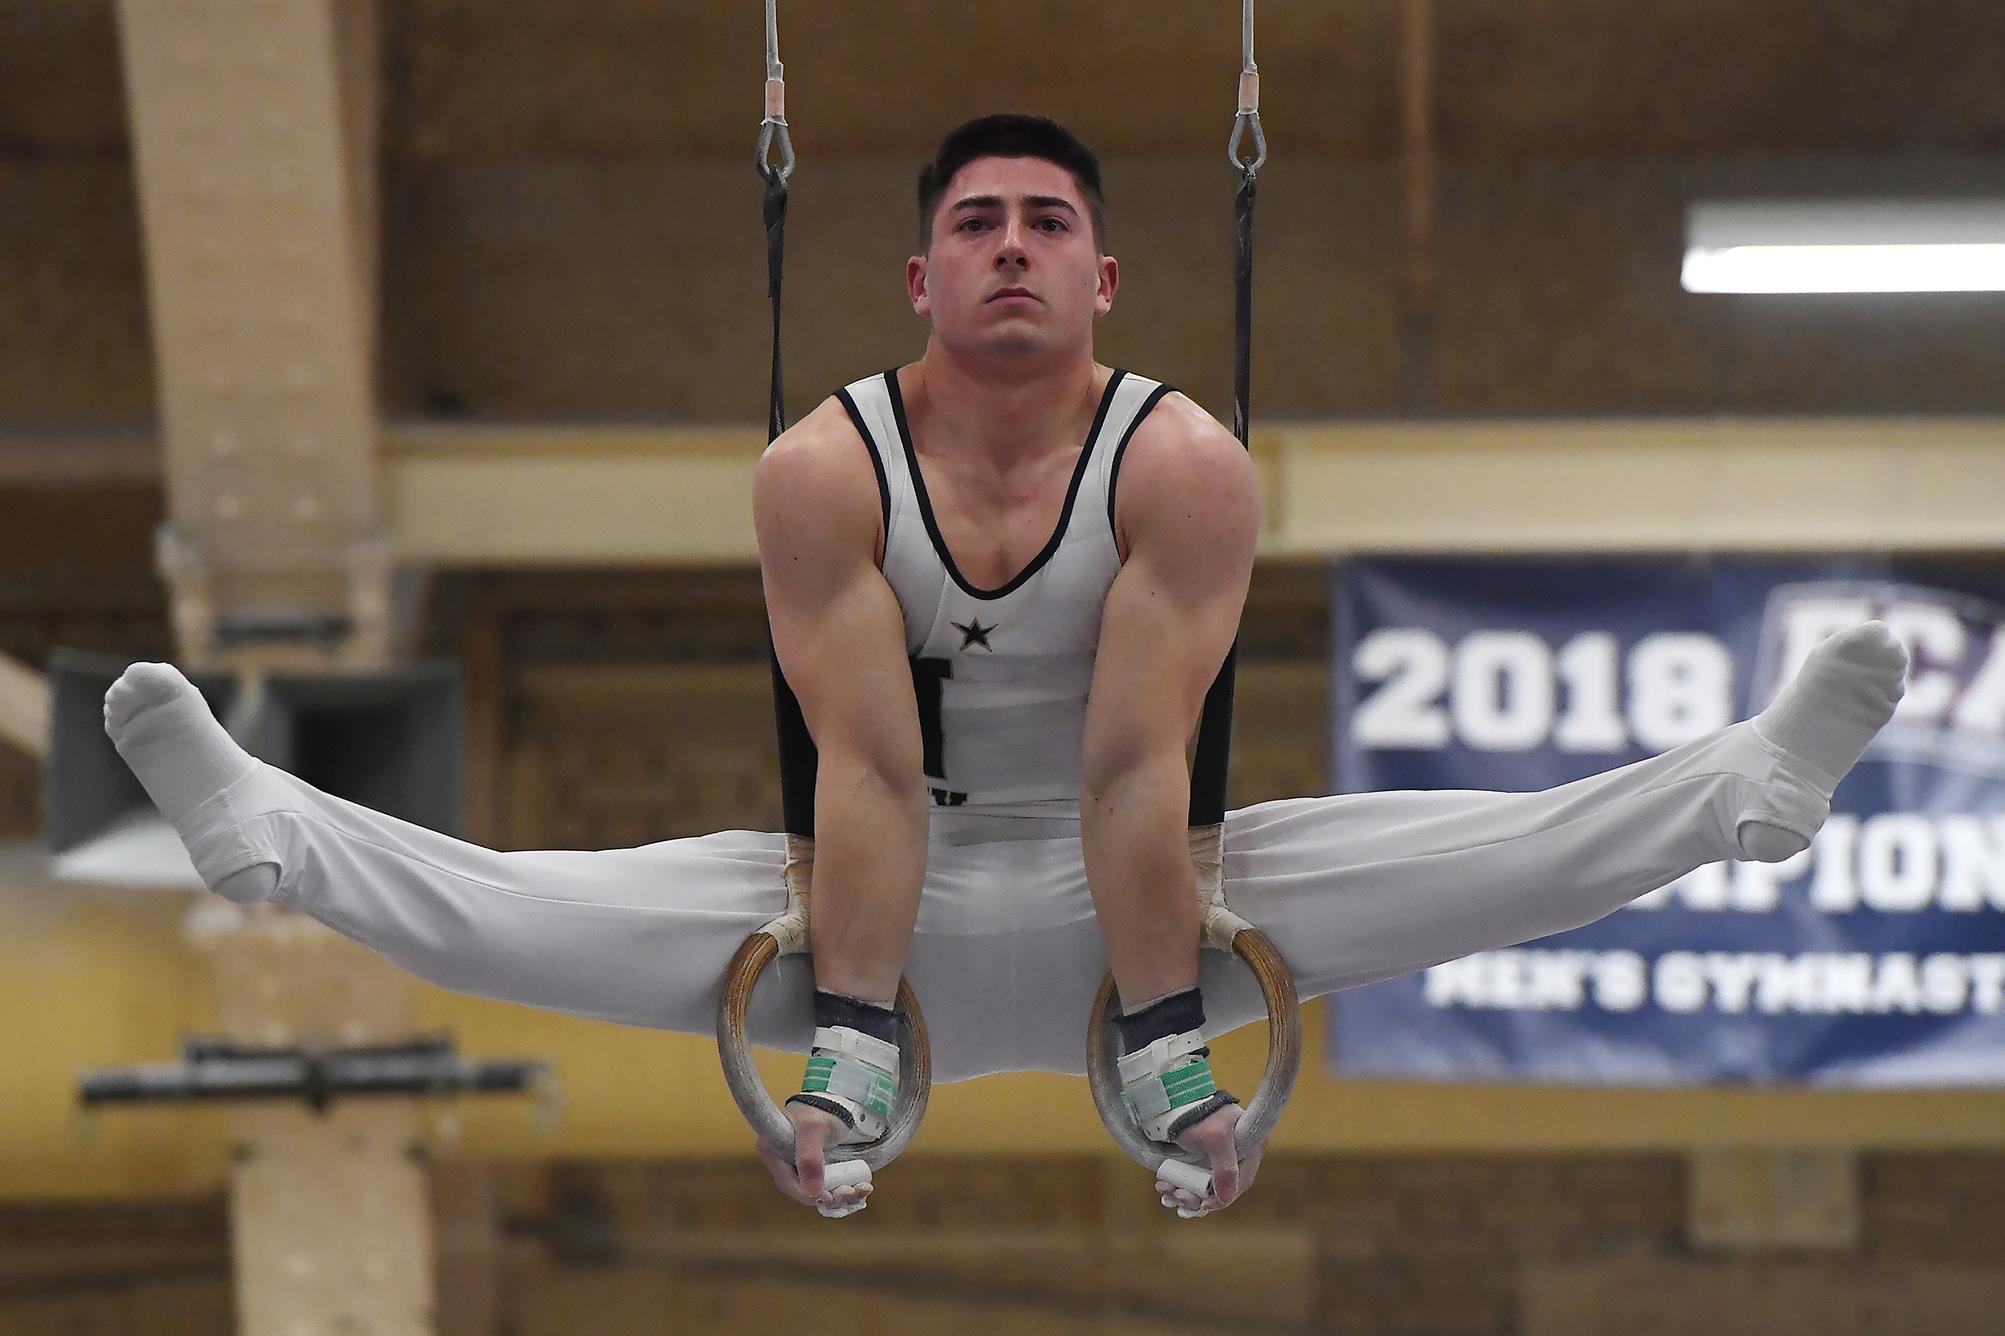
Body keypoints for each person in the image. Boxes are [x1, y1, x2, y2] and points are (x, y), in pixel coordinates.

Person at [103, 114, 1909, 1221]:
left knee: (1487, 851)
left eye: (1046, 224)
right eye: (979, 224)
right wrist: (853, 1056)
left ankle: (1736, 795)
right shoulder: (823, 474)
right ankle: (276, 843)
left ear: (1103, 276)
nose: (1014, 249)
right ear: (919, 275)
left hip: (1154, 902)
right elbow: (867, 776)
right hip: (853, 908)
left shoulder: (1178, 464)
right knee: (517, 910)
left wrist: (1170, 1063)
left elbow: (1136, 774)